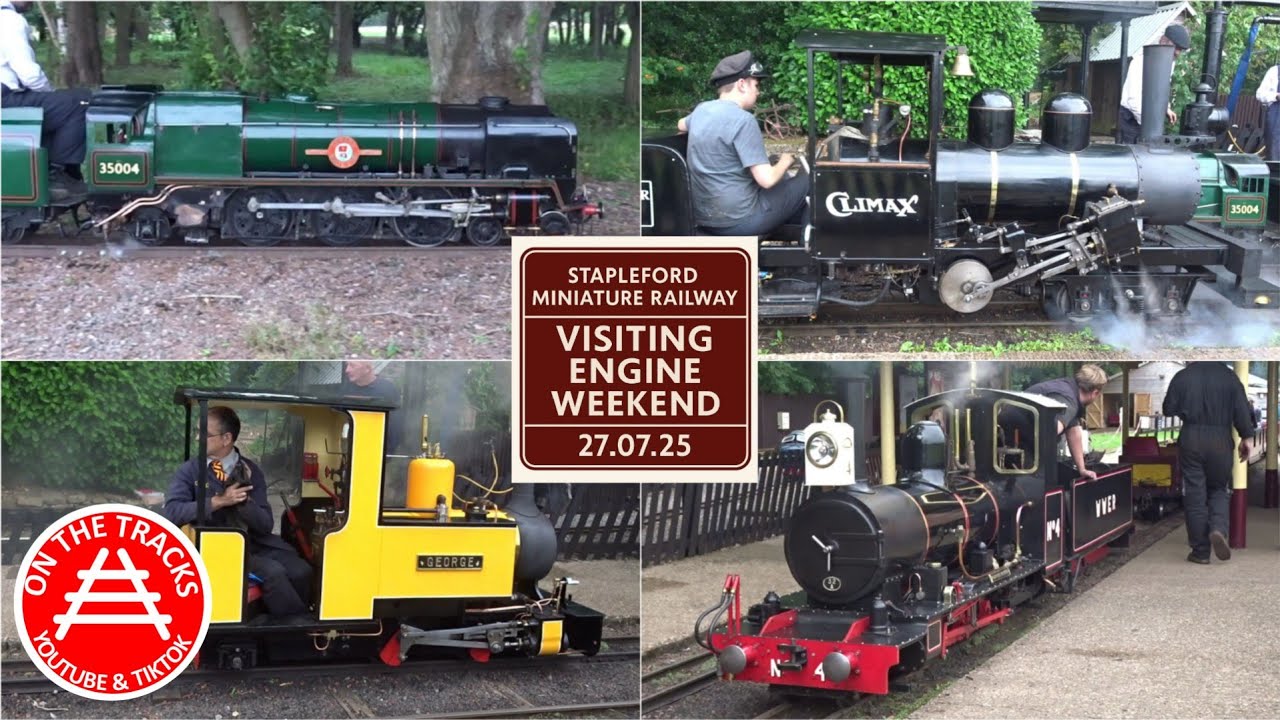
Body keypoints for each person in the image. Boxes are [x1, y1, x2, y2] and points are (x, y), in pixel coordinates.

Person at [162, 406, 313, 617]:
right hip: (216, 546)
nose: (197, 438)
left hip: (254, 543)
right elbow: (172, 512)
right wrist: (218, 501)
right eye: (197, 432)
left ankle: (289, 620)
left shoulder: (252, 471)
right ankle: (294, 628)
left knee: (302, 571)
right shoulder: (190, 470)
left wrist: (244, 502)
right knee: (274, 573)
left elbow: (265, 524)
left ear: (226, 438)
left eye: (204, 433)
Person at [676, 50, 808, 237]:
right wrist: (786, 160)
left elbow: (680, 124)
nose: (758, 92)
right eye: (756, 85)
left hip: (705, 219)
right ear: (741, 85)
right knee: (811, 178)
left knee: (780, 174)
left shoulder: (701, 110)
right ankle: (809, 240)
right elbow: (767, 180)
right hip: (742, 221)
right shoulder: (744, 120)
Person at [1162, 362, 1256, 565]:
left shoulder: (1182, 376)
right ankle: (1218, 528)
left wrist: (1188, 408)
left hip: (1191, 438)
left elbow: (1168, 409)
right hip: (1221, 438)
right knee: (1219, 489)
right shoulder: (1230, 377)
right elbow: (1242, 411)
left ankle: (1200, 552)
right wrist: (1247, 437)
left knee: (1194, 494)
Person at [0, 0, 90, 199]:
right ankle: (57, 175)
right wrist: (50, 93)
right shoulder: (9, 20)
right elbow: (28, 73)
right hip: (4, 97)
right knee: (79, 104)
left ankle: (62, 171)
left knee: (68, 102)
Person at [1009, 364, 1108, 480]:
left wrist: (1082, 469)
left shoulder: (1069, 389)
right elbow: (1051, 430)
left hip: (1016, 433)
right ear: (1095, 393)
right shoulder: (1069, 401)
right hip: (1012, 438)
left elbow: (1074, 432)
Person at [1118, 23, 1192, 144]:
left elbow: (1162, 89)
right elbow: (1133, 99)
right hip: (1131, 119)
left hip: (1151, 120)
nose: (1178, 53)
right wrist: (1151, 124)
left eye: (1181, 49)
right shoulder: (1140, 61)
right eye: (1176, 47)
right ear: (1163, 41)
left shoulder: (1170, 62)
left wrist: (1166, 108)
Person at [339, 360, 405, 453]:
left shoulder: (387, 389)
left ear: (367, 368)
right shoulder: (344, 389)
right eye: (347, 365)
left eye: (352, 366)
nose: (347, 370)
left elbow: (395, 424)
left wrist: (387, 452)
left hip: (380, 447)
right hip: (352, 446)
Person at [1254, 62, 1280, 161]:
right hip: (1276, 118)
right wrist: (1276, 96)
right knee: (1274, 154)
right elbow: (1260, 94)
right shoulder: (1275, 71)